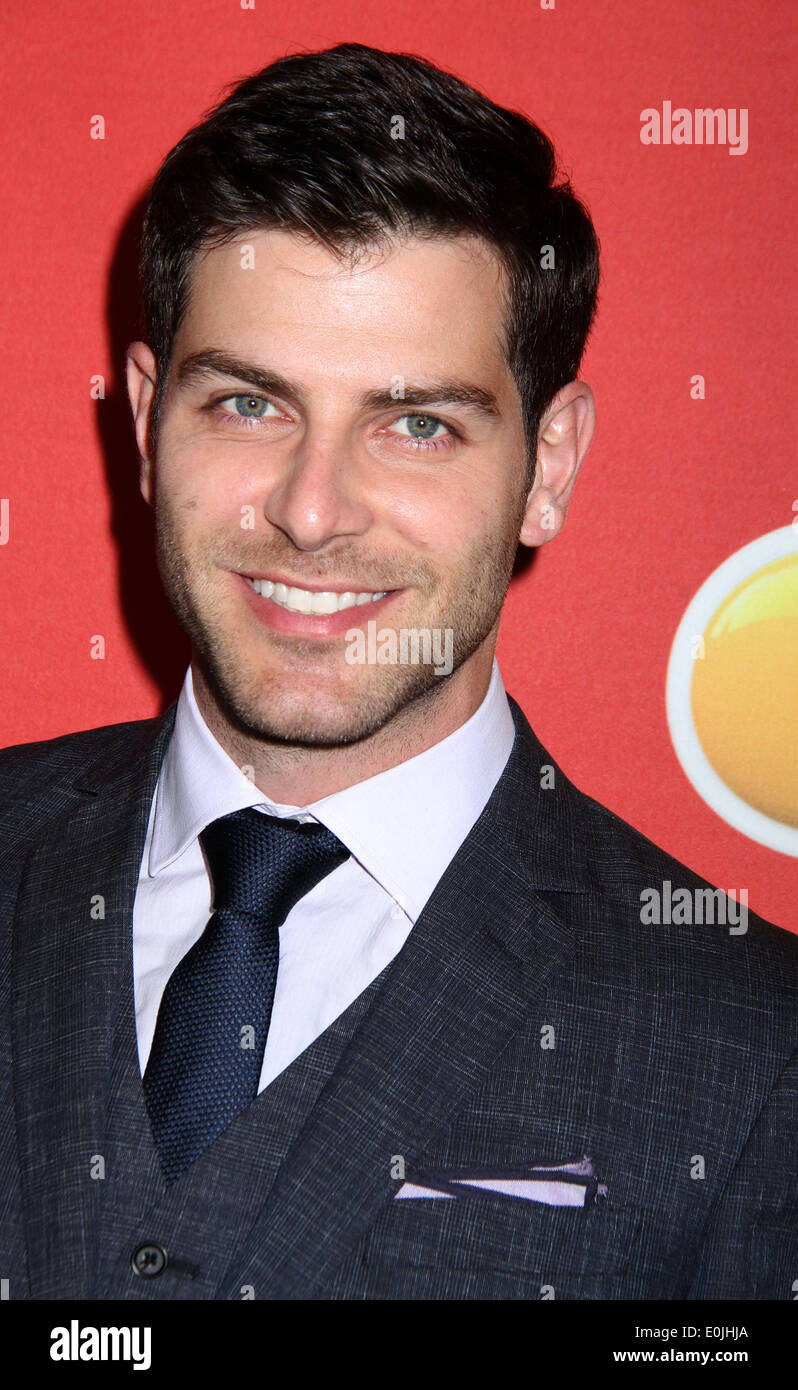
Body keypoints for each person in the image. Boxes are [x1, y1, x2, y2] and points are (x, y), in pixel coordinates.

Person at [1, 41, 796, 1302]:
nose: (314, 513)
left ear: (549, 464)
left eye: (416, 424)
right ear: (149, 421)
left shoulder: (755, 1052)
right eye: (249, 405)